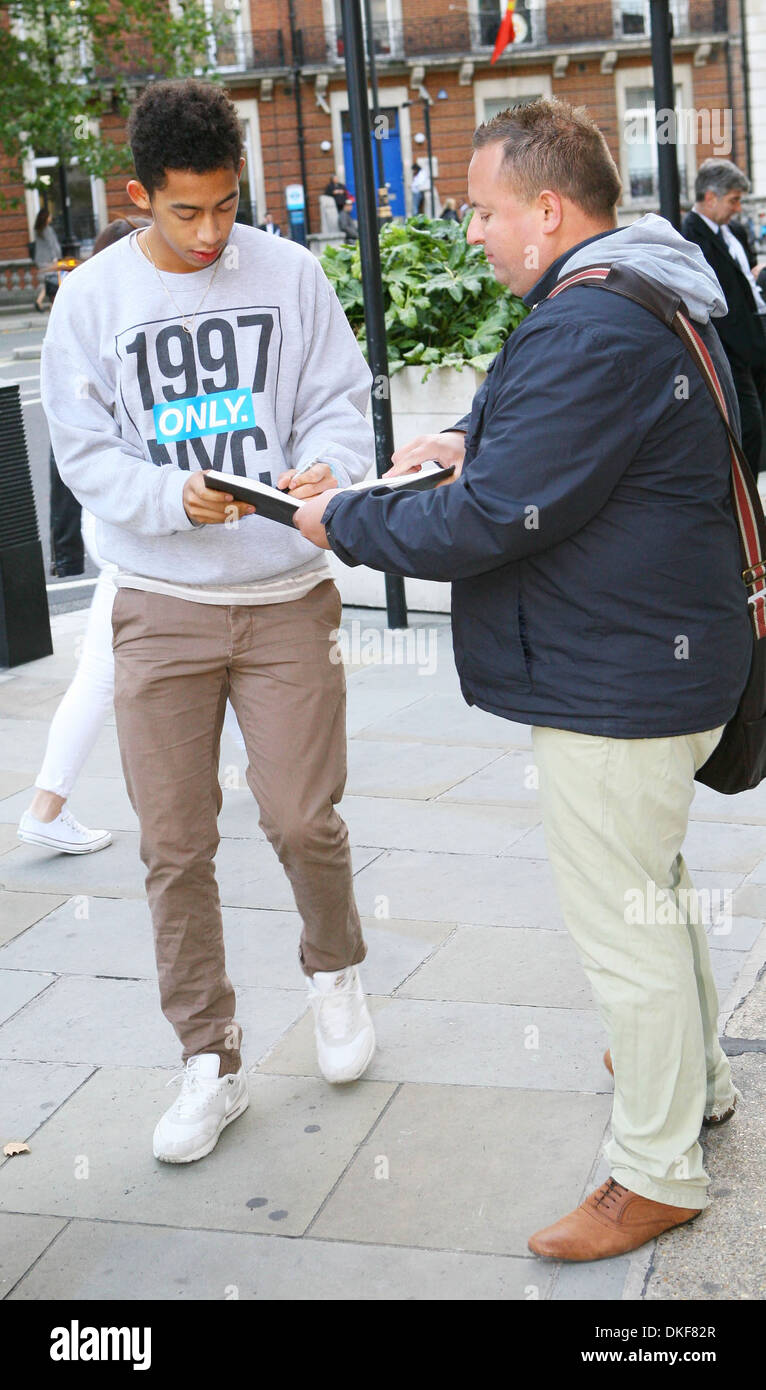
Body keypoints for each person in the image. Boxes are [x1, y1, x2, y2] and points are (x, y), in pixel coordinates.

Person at [295, 97, 750, 1263]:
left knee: (624, 930)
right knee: (654, 890)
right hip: (663, 656)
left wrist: (337, 519)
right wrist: (467, 444)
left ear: (548, 209)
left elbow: (495, 521)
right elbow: (568, 457)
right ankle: (692, 1085)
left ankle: (654, 1169)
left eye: (484, 212)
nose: (474, 235)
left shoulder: (588, 322)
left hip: (621, 673)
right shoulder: (635, 288)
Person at [40, 78, 377, 1165]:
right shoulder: (89, 300)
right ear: (140, 193)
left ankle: (334, 972)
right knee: (174, 845)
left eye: (226, 206)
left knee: (298, 817)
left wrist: (335, 466)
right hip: (160, 603)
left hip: (285, 594)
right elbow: (86, 457)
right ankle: (210, 1059)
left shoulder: (291, 271)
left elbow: (340, 394)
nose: (210, 231)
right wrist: (168, 499)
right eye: (185, 211)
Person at [682, 159, 766, 480]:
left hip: (754, 341)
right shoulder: (691, 235)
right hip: (731, 350)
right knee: (750, 428)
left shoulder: (737, 233)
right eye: (733, 199)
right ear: (710, 197)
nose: (738, 207)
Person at [33, 207, 61, 312]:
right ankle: (46, 302)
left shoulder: (38, 230)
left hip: (40, 258)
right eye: (49, 216)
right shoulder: (48, 230)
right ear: (46, 217)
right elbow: (52, 245)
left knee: (48, 282)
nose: (51, 218)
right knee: (53, 281)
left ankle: (42, 302)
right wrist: (55, 257)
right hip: (49, 259)